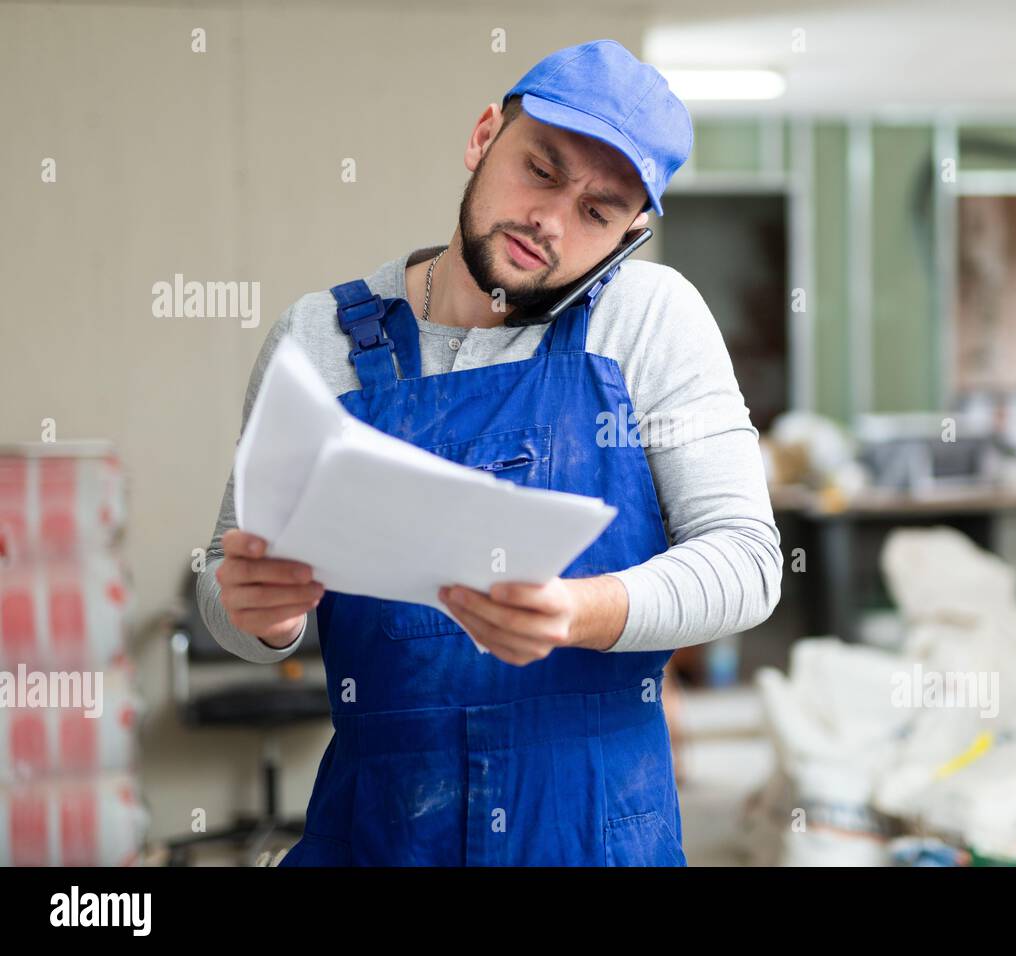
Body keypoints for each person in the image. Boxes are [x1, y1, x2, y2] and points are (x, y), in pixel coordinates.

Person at [197, 38, 782, 866]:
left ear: (630, 234)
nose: (551, 221)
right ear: (482, 138)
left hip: (593, 836)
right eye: (540, 170)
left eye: (597, 212)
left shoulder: (649, 320)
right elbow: (223, 584)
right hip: (379, 835)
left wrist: (582, 611)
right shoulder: (317, 340)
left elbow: (748, 562)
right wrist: (264, 616)